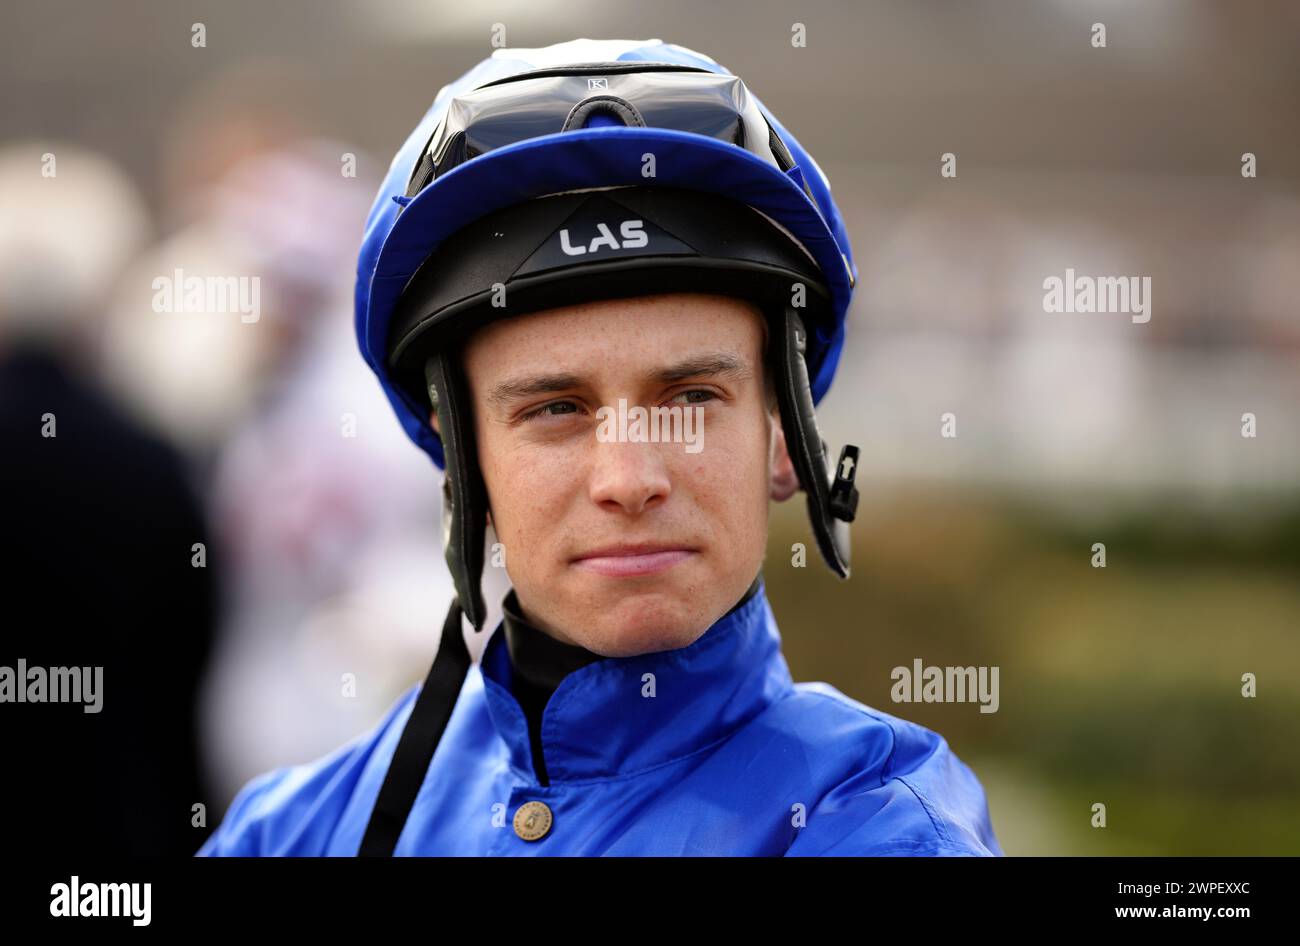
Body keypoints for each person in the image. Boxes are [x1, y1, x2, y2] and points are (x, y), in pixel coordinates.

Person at [198, 37, 1002, 856]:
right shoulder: (290, 831)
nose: (628, 478)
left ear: (784, 439)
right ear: (464, 463)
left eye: (690, 398)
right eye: (556, 409)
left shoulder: (879, 828)